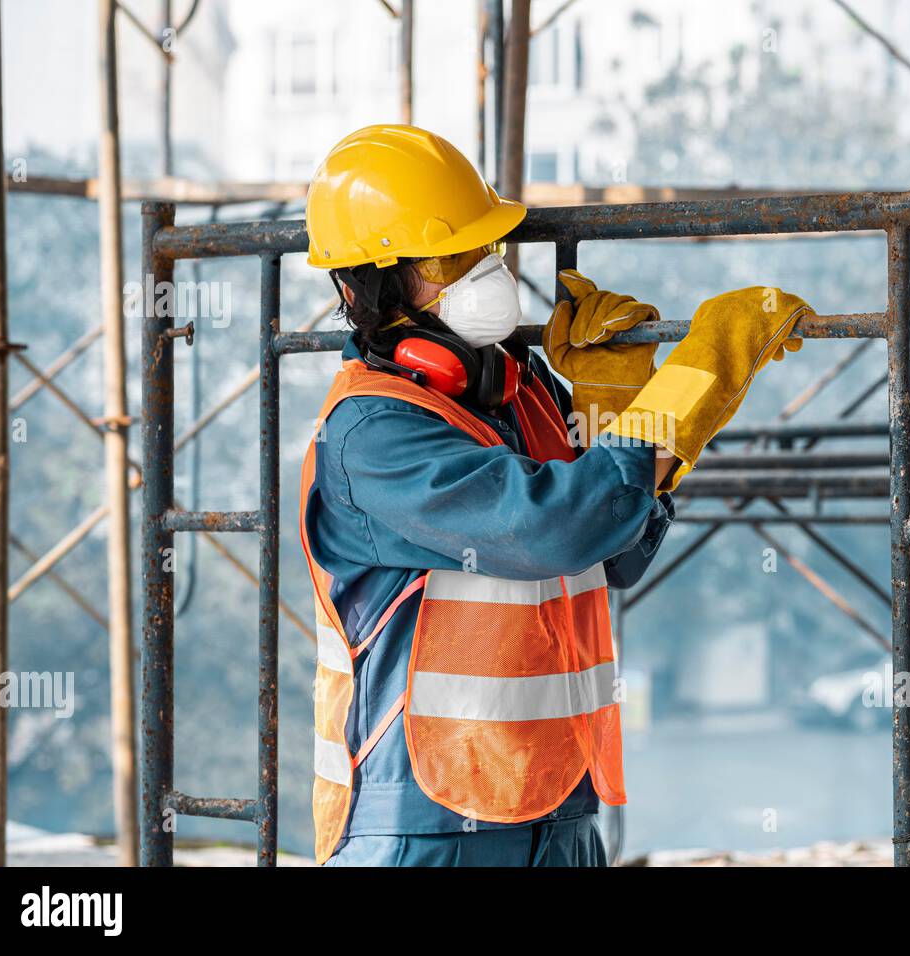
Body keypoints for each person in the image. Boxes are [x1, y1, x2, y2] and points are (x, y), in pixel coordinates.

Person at [300, 124, 811, 867]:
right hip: (420, 819)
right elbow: (555, 529)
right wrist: (697, 382)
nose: (485, 274)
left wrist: (606, 408)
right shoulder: (371, 433)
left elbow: (617, 551)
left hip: (561, 806)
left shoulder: (522, 389)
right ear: (366, 288)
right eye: (451, 259)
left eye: (489, 252)